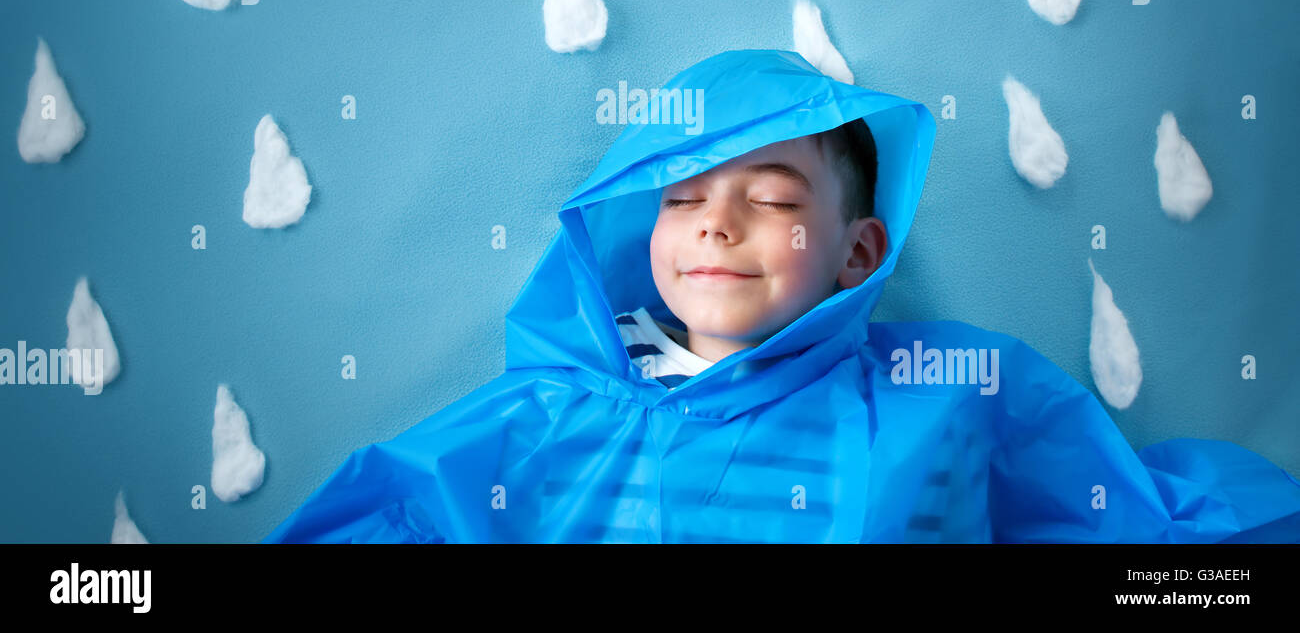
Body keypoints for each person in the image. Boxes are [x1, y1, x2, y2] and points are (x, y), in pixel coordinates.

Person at [264, 48, 1300, 542]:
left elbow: (1117, 514)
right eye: (683, 196)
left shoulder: (943, 388)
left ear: (856, 253)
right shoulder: (555, 406)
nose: (715, 222)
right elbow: (403, 513)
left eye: (767, 199)